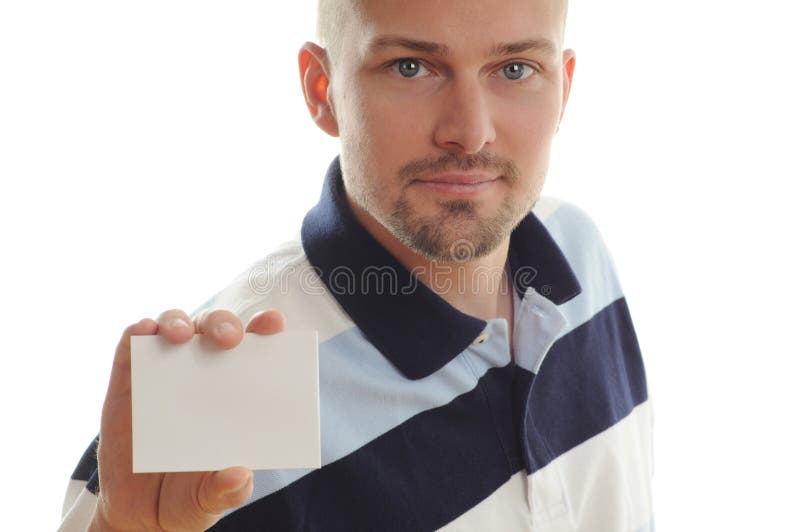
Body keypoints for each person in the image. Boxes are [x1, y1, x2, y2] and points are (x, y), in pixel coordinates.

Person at [59, 0, 654, 530]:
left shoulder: (579, 248)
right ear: (323, 89)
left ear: (564, 89)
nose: (470, 132)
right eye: (411, 67)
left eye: (516, 69)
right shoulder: (225, 375)